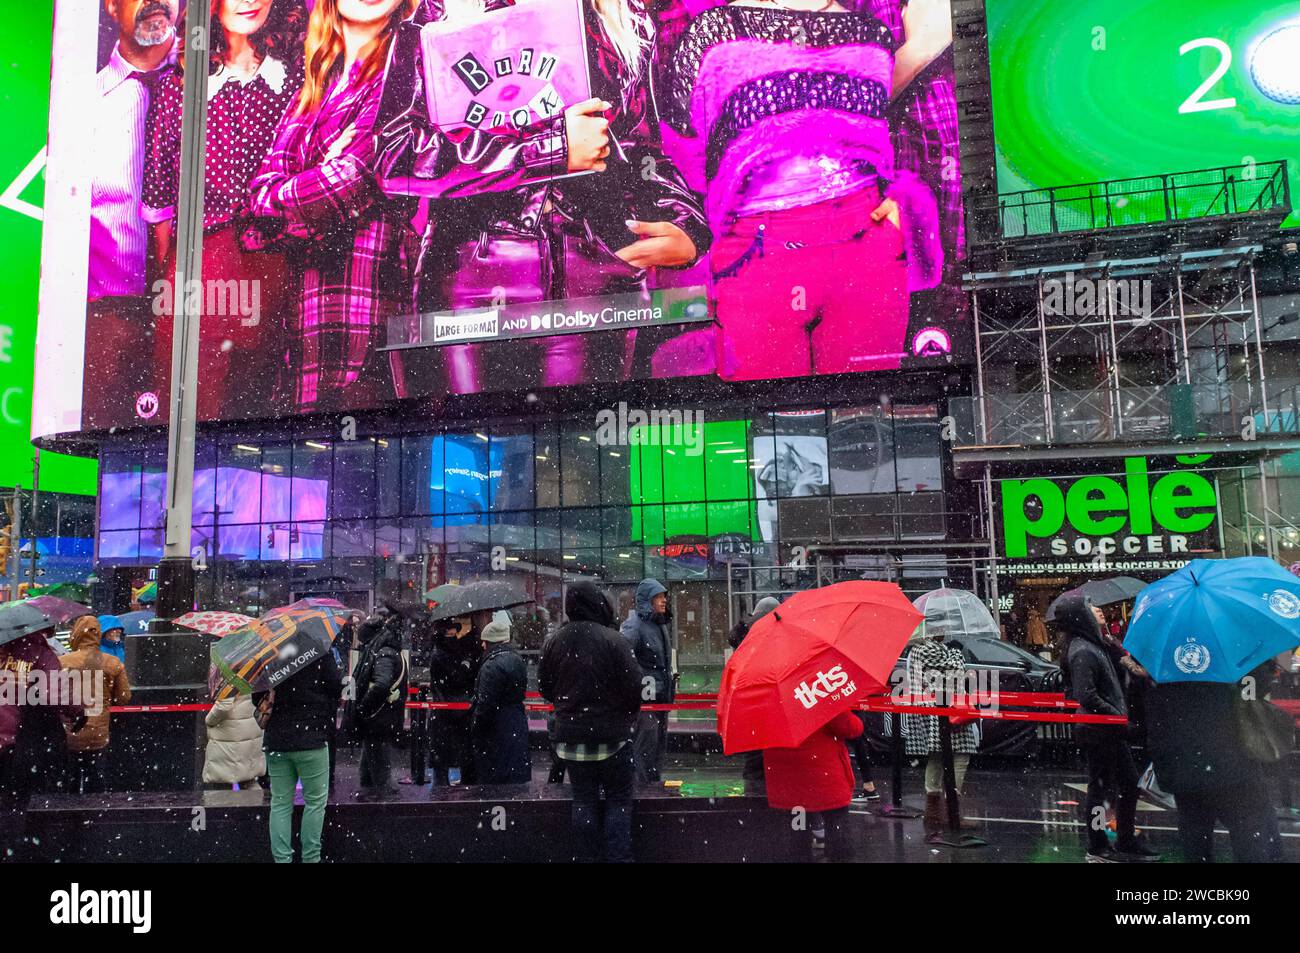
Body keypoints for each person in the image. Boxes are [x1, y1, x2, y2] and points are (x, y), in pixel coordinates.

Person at [374, 0, 710, 394]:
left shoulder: (621, 13)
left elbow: (639, 149)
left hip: (596, 274)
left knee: (585, 452)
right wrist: (548, 150)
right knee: (466, 449)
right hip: (470, 278)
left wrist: (688, 227)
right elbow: (398, 157)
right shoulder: (441, 10)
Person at [660, 0, 941, 382]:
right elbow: (678, 148)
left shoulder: (871, 34)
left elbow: (889, 139)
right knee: (767, 421)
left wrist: (896, 214)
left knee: (864, 419)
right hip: (755, 250)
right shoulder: (716, 30)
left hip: (865, 241)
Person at [244, 0, 418, 413]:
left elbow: (354, 179)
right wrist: (315, 189)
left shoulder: (408, 73)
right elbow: (257, 202)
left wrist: (292, 198)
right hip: (302, 334)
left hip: (367, 319)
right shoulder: (317, 84)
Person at [142, 0, 307, 420]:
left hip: (277, 262)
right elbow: (160, 198)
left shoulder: (297, 80)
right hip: (201, 267)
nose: (249, 2)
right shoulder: (180, 86)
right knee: (192, 409)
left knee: (260, 410)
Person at [83, 0, 181, 429]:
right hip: (110, 319)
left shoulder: (218, 83)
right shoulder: (79, 106)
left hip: (199, 313)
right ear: (110, 5)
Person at [539, 582, 643, 862]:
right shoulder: (614, 640)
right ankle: (618, 857)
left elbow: (545, 687)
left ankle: (586, 857)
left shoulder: (556, 641)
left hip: (571, 740)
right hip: (613, 739)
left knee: (582, 800)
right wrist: (624, 715)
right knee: (618, 801)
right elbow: (634, 687)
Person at [1056, 592, 1160, 863]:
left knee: (1128, 783)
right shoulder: (1083, 650)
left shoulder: (1096, 644)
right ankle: (1097, 844)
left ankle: (1125, 839)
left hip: (1109, 728)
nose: (1096, 610)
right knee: (1100, 789)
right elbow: (1085, 694)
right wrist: (1115, 715)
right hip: (1098, 729)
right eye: (1090, 607)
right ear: (1080, 616)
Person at [1146, 664, 1283, 863]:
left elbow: (1155, 718)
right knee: (1249, 837)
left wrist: (1165, 768)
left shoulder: (1167, 665)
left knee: (1196, 840)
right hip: (1234, 765)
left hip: (1186, 766)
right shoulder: (1236, 657)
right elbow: (1255, 696)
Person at [1, 625, 86, 859]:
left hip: (6, 736)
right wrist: (77, 711)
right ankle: (16, 850)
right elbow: (55, 694)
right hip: (19, 741)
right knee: (17, 802)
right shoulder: (39, 653)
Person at [255, 650, 344, 863]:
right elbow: (335, 687)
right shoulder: (317, 650)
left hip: (277, 740)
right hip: (311, 738)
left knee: (280, 803)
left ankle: (282, 859)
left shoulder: (269, 654)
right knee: (315, 803)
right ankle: (311, 859)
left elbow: (256, 697)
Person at [902, 623, 976, 833]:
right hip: (942, 709)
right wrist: (957, 653)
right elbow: (955, 669)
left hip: (934, 708)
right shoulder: (928, 649)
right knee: (960, 755)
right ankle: (950, 811)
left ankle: (934, 812)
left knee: (936, 757)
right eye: (941, 627)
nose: (945, 631)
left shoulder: (919, 649)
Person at [763, 711, 863, 861]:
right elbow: (850, 728)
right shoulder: (818, 694)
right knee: (837, 832)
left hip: (789, 780)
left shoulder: (768, 702)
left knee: (797, 835)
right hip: (825, 777)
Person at [58, 616, 133, 795]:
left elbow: (54, 696)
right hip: (98, 735)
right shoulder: (112, 662)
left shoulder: (62, 662)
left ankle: (69, 817)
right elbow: (124, 697)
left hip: (70, 732)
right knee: (96, 780)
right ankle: (95, 815)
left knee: (71, 781)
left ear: (75, 635)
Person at [621, 577, 675, 783]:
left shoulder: (659, 623)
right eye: (658, 597)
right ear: (647, 600)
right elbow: (623, 656)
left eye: (664, 597)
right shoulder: (634, 626)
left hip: (661, 696)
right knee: (645, 744)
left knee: (658, 743)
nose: (663, 601)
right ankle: (642, 786)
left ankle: (651, 782)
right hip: (646, 699)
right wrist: (640, 679)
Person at [469, 611, 531, 784]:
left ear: (488, 642)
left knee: (495, 780)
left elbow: (486, 704)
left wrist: (475, 725)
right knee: (513, 776)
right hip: (515, 723)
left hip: (496, 729)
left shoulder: (491, 665)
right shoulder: (516, 659)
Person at [726, 596, 780, 792]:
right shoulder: (774, 632)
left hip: (749, 701)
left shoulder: (744, 634)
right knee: (769, 752)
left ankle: (753, 793)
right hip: (770, 700)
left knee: (754, 752)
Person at [353, 612, 408, 795]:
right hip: (382, 718)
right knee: (372, 761)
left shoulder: (383, 653)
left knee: (379, 766)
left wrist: (363, 707)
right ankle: (371, 793)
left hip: (378, 719)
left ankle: (379, 802)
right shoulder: (386, 650)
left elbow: (381, 685)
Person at [427, 616, 478, 785]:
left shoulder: (447, 648)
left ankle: (443, 788)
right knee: (452, 753)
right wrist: (466, 666)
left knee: (446, 754)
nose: (454, 631)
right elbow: (455, 678)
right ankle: (444, 792)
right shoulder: (443, 652)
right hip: (451, 709)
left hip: (449, 709)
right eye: (450, 628)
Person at [203, 694, 266, 789]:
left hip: (229, 736)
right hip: (249, 730)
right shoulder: (252, 679)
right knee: (248, 780)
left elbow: (223, 705)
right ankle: (256, 802)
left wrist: (209, 720)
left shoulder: (231, 680)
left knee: (221, 783)